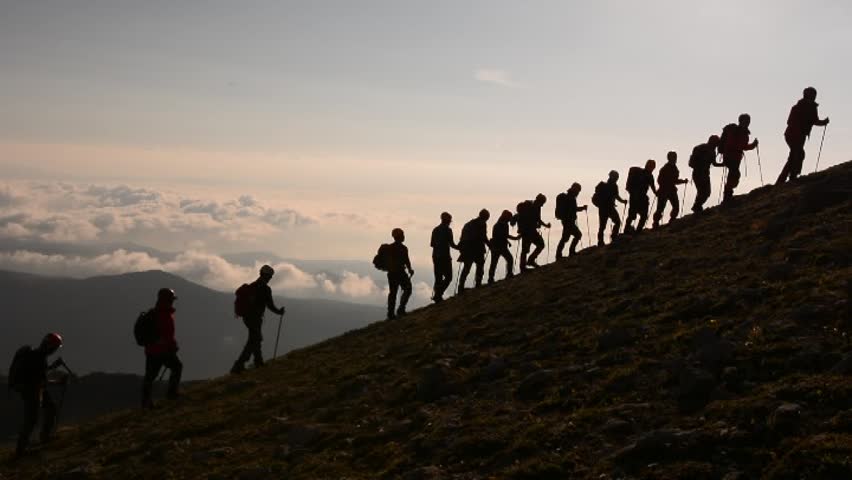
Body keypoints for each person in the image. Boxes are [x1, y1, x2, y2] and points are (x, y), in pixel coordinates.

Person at [8, 333, 65, 458]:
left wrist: (51, 368)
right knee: (32, 419)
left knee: (49, 409)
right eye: (54, 347)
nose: (54, 350)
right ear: (49, 345)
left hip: (32, 389)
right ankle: (21, 450)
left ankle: (42, 438)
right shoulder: (39, 358)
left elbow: (39, 375)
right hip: (32, 391)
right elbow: (42, 380)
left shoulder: (35, 355)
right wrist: (59, 382)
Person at [231, 266, 286, 374]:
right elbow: (270, 305)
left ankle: (258, 362)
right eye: (270, 276)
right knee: (254, 340)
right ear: (268, 276)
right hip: (255, 318)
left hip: (247, 317)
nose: (270, 278)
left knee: (256, 339)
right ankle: (239, 365)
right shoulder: (265, 289)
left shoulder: (252, 286)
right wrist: (279, 312)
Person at [777, 87, 830, 184]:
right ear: (806, 95)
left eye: (814, 95)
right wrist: (800, 129)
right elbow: (790, 121)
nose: (813, 97)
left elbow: (815, 121)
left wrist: (823, 122)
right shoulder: (797, 107)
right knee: (798, 154)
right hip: (792, 135)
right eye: (811, 95)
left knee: (795, 155)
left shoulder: (812, 108)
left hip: (800, 136)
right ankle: (791, 176)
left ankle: (787, 177)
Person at [142, 288, 183, 407]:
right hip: (163, 350)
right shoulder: (164, 314)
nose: (173, 302)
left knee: (150, 376)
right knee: (177, 367)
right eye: (171, 299)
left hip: (151, 350)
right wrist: (173, 346)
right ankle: (172, 393)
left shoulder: (154, 313)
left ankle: (146, 401)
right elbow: (167, 335)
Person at [719, 114, 758, 203]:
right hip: (731, 156)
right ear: (741, 121)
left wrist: (753, 145)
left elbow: (742, 146)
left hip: (734, 157)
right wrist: (752, 145)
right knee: (734, 174)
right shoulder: (736, 131)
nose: (748, 123)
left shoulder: (741, 132)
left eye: (748, 121)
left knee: (733, 175)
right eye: (746, 121)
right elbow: (739, 145)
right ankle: (727, 196)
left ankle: (727, 196)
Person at [653, 151, 689, 227]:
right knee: (661, 208)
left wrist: (682, 181)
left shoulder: (672, 168)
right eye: (674, 157)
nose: (675, 159)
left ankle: (670, 220)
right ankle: (656, 223)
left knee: (674, 206)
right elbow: (661, 180)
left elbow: (673, 180)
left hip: (668, 190)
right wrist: (682, 181)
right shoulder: (667, 168)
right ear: (669, 158)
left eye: (675, 157)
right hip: (665, 190)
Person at [458, 209, 490, 292]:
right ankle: (478, 284)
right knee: (479, 267)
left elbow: (463, 237)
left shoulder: (468, 224)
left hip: (467, 249)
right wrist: (489, 244)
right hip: (477, 249)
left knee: (466, 268)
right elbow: (483, 236)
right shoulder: (482, 224)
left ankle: (461, 287)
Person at [385, 228, 414, 319]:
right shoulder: (403, 248)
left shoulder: (390, 248)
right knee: (407, 289)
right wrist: (409, 269)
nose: (404, 237)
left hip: (392, 273)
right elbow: (406, 260)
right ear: (400, 237)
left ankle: (391, 314)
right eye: (402, 235)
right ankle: (401, 309)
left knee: (393, 293)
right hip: (400, 272)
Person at [517, 194, 550, 272]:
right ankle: (527, 264)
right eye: (542, 203)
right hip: (528, 231)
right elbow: (537, 219)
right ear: (539, 201)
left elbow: (537, 219)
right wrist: (545, 225)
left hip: (528, 231)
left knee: (528, 249)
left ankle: (526, 264)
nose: (542, 205)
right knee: (537, 246)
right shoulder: (534, 207)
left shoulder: (534, 206)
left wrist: (542, 225)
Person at [593, 170, 627, 246]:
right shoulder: (614, 186)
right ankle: (614, 237)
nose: (617, 179)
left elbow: (616, 196)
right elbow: (616, 196)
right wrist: (623, 201)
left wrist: (622, 201)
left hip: (602, 208)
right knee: (617, 222)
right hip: (609, 208)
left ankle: (600, 242)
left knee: (602, 226)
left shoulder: (603, 185)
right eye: (616, 177)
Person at [430, 212, 458, 303]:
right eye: (450, 220)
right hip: (445, 256)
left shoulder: (435, 230)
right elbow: (452, 244)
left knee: (438, 277)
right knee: (448, 277)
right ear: (447, 220)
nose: (450, 222)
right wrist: (460, 247)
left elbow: (432, 244)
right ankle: (438, 295)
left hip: (436, 256)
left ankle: (437, 296)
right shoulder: (448, 230)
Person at [688, 135, 721, 213]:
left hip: (703, 174)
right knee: (703, 192)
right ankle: (697, 207)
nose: (716, 145)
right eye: (716, 143)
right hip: (699, 173)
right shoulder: (703, 149)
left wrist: (723, 164)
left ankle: (697, 206)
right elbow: (714, 163)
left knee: (705, 192)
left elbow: (714, 163)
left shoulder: (710, 150)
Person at [624, 160, 657, 233]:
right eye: (652, 167)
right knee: (638, 215)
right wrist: (657, 193)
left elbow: (653, 188)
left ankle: (630, 230)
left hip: (637, 197)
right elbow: (653, 189)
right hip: (638, 197)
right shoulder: (648, 175)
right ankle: (636, 230)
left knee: (635, 215)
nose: (652, 168)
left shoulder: (646, 175)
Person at [554, 183, 587, 258]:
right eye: (578, 190)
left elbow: (573, 209)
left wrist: (581, 208)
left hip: (567, 221)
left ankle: (560, 254)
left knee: (565, 238)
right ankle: (569, 252)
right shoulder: (571, 197)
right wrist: (582, 208)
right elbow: (574, 209)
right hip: (568, 221)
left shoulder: (570, 197)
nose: (578, 192)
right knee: (577, 235)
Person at [488, 209, 519, 283]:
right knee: (509, 259)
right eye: (509, 217)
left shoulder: (499, 224)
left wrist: (508, 241)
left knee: (494, 263)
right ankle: (509, 274)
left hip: (495, 246)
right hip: (500, 246)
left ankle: (491, 278)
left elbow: (501, 236)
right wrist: (515, 238)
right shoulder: (503, 224)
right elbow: (504, 235)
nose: (510, 219)